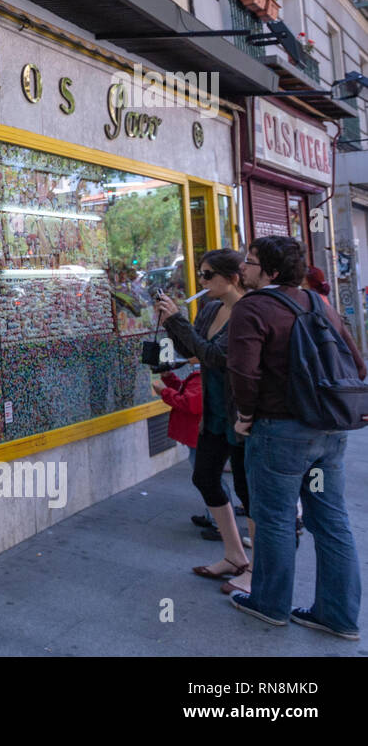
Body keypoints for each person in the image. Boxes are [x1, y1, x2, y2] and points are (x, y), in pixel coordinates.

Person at [227, 235, 364, 640]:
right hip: (328, 430)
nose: (243, 270)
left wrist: (245, 416)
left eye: (249, 263)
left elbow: (244, 373)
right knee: (332, 520)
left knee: (274, 520)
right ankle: (338, 615)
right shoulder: (318, 303)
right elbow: (356, 362)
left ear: (269, 271)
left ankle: (269, 603)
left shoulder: (253, 308)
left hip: (279, 431)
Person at [154, 249, 250, 585]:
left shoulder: (246, 313)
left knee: (246, 487)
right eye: (201, 274)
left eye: (208, 275)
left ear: (233, 278)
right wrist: (170, 323)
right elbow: (191, 351)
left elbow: (215, 355)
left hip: (240, 411)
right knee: (205, 476)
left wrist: (178, 320)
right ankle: (234, 553)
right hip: (213, 411)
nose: (202, 281)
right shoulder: (210, 310)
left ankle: (256, 569)